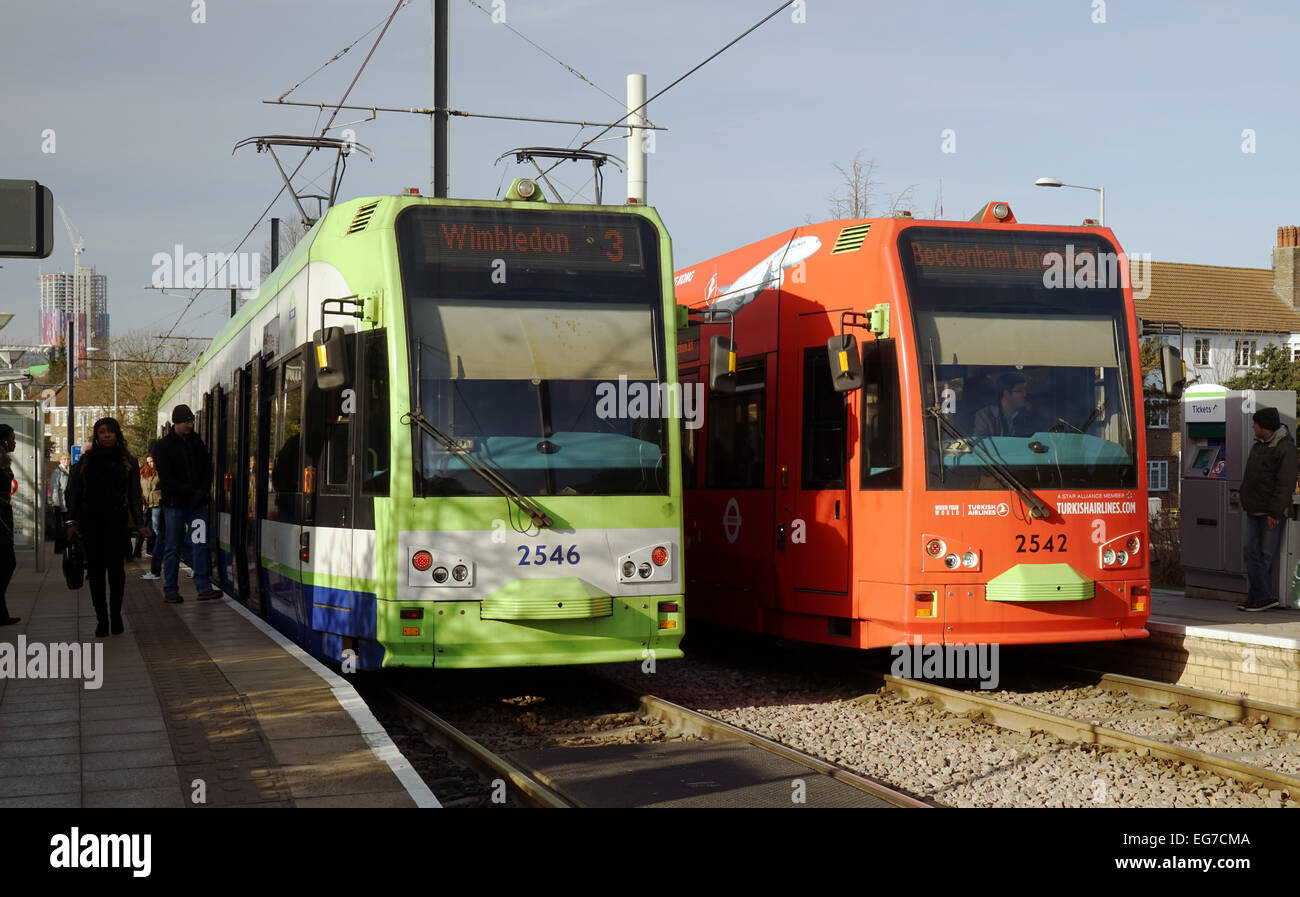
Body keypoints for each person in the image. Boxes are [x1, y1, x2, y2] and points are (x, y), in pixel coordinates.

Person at [65, 418, 150, 637]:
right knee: (95, 573)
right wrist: (70, 523)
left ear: (117, 434)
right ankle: (101, 619)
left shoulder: (128, 461)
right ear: (96, 435)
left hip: (117, 524)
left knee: (117, 573)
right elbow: (73, 495)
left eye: (111, 432)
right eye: (102, 432)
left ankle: (116, 615)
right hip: (91, 524)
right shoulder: (84, 462)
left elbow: (133, 495)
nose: (107, 435)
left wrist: (140, 525)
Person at [153, 404, 221, 603]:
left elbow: (207, 469)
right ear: (177, 422)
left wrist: (201, 492)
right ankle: (171, 589)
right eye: (186, 422)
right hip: (175, 505)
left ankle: (203, 587)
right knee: (173, 547)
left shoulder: (196, 442)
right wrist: (195, 492)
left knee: (199, 544)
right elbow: (166, 477)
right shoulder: (164, 446)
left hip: (195, 505)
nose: (190, 425)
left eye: (191, 421)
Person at [1238, 406, 1299, 612]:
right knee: (1250, 553)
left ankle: (1261, 597)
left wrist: (1274, 512)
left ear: (1264, 427)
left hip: (1271, 513)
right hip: (1254, 509)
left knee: (1264, 557)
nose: (1253, 426)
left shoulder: (1286, 448)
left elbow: (1285, 483)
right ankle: (1260, 597)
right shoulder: (1259, 445)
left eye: (1256, 423)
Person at [972, 371, 1036, 438]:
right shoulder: (985, 415)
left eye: (1025, 390)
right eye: (1019, 391)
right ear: (1006, 394)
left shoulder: (1027, 414)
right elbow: (981, 443)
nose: (1025, 394)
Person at [0, 425, 20, 626]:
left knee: (6, 563)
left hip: (4, 516)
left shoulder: (4, 461)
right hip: (0, 520)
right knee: (7, 563)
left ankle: (2, 613)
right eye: (12, 439)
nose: (14, 442)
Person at [136, 453, 161, 560]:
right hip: (146, 504)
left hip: (156, 504)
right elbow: (139, 490)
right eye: (148, 462)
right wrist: (141, 502)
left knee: (155, 528)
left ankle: (156, 550)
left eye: (152, 461)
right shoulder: (143, 474)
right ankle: (137, 551)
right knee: (142, 528)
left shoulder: (160, 473)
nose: (151, 463)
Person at [50, 453, 71, 554]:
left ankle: (65, 546)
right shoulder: (57, 472)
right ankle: (58, 548)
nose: (66, 460)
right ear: (60, 460)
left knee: (66, 526)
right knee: (59, 527)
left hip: (68, 503)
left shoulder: (69, 471)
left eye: (68, 459)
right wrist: (56, 504)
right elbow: (54, 488)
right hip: (60, 503)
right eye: (64, 459)